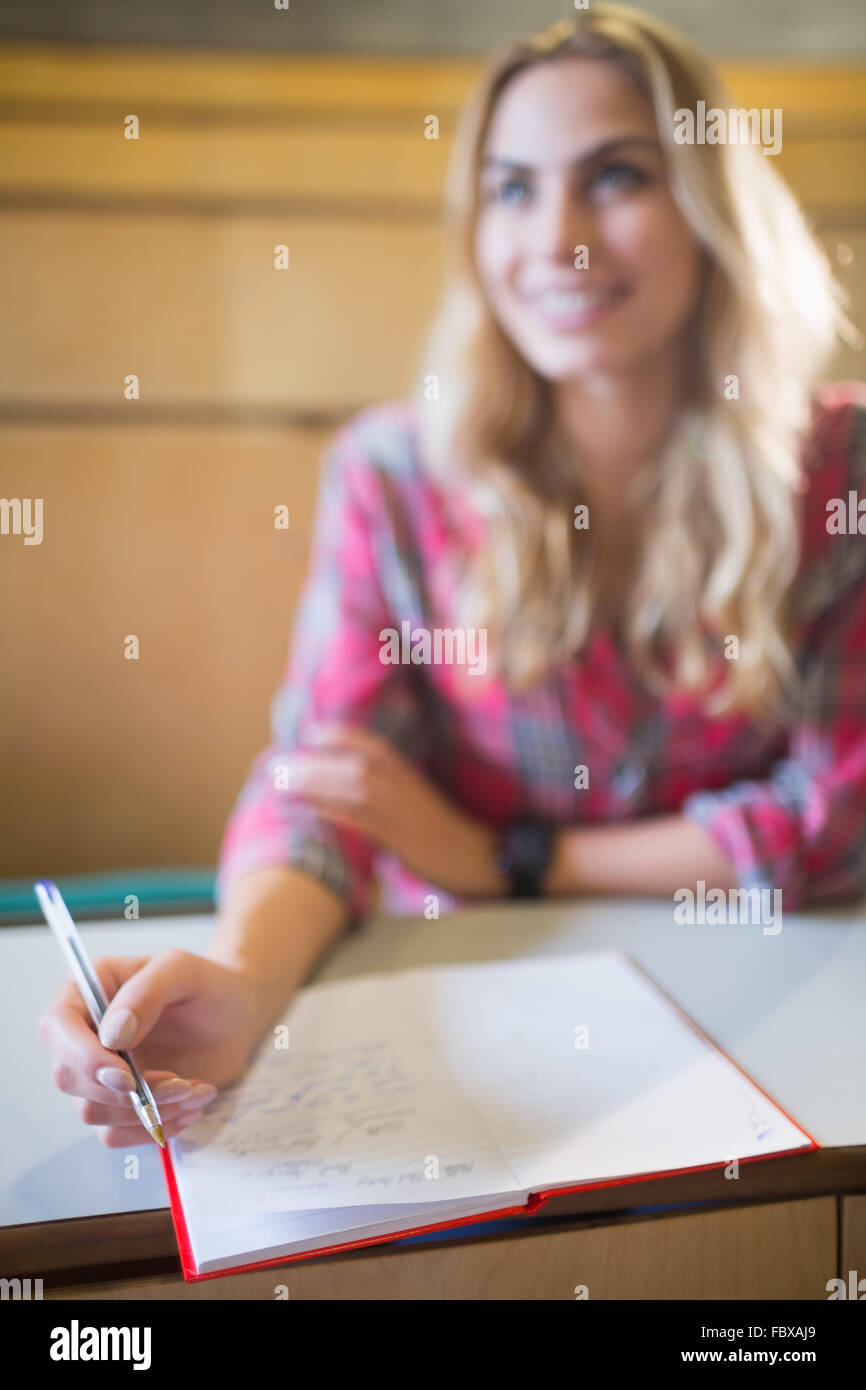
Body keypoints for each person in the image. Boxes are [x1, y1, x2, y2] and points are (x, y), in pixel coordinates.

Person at [40, 5, 865, 1147]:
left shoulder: (839, 470)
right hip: (473, 1032)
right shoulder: (393, 474)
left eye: (616, 176)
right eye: (512, 188)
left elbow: (835, 818)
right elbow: (320, 793)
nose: (558, 238)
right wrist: (239, 984)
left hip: (785, 1034)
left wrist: (507, 860)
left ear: (708, 204)